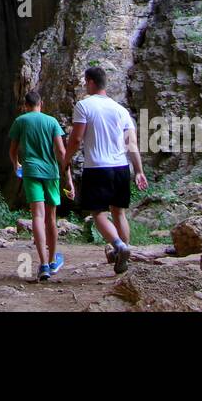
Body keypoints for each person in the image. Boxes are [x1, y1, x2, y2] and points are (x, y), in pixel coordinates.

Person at [64, 66, 148, 275]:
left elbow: (76, 139)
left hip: (98, 167)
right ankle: (123, 256)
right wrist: (138, 171)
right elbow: (132, 144)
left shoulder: (84, 106)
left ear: (90, 81)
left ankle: (119, 246)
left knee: (98, 213)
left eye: (85, 82)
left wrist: (65, 158)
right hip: (121, 167)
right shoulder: (121, 110)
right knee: (119, 212)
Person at [8, 90, 68, 282]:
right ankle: (52, 261)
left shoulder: (21, 121)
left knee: (37, 215)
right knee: (51, 217)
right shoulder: (51, 122)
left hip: (31, 171)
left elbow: (13, 150)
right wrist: (67, 176)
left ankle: (42, 265)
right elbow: (60, 150)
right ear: (41, 103)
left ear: (26, 105)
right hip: (51, 173)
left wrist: (16, 164)